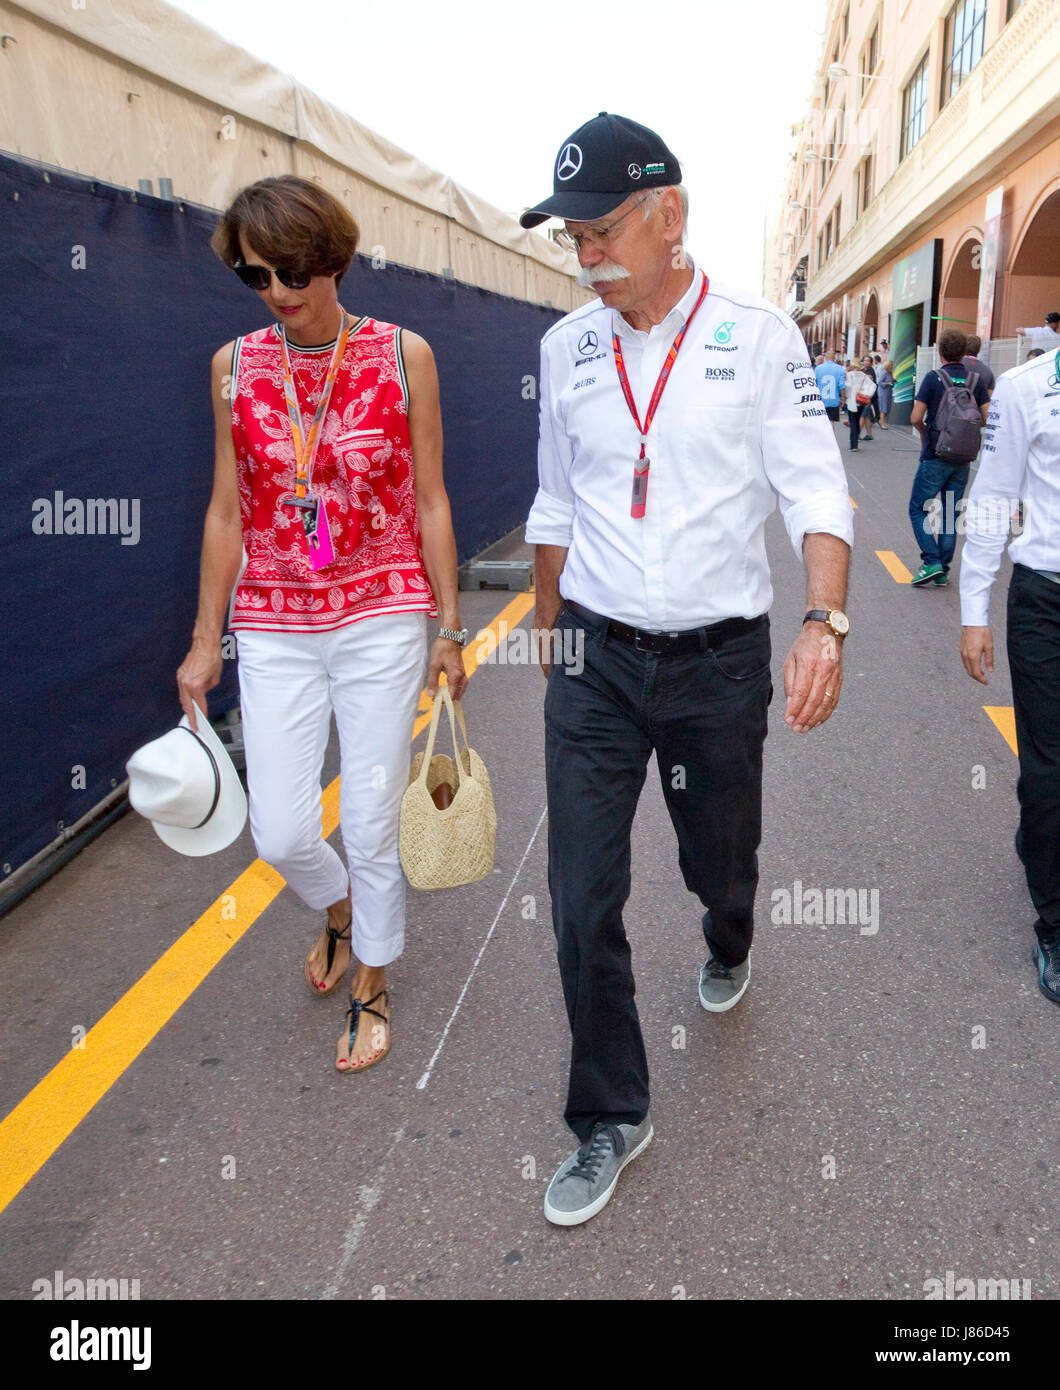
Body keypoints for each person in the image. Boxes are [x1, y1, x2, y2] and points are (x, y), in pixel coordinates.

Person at [519, 112, 853, 1226]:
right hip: (598, 664)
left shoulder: (759, 340)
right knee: (578, 894)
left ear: (671, 215)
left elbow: (815, 489)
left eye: (602, 230)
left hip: (717, 664)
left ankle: (729, 923)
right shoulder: (563, 351)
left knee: (719, 854)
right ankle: (609, 1112)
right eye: (571, 237)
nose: (586, 255)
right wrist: (547, 629)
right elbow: (556, 503)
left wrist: (824, 621)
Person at [176, 175, 469, 1074]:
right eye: (256, 275)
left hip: (380, 612)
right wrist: (202, 637)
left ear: (334, 259)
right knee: (280, 833)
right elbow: (228, 510)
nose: (278, 291)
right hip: (272, 619)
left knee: (373, 819)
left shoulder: (400, 354)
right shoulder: (233, 368)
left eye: (294, 269)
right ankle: (337, 907)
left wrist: (450, 626)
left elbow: (428, 498)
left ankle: (373, 979)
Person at [959, 348, 1060, 1005]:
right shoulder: (1028, 389)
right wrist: (975, 612)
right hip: (1045, 602)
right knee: (1051, 770)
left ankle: (1038, 838)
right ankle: (1055, 925)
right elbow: (993, 500)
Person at [908, 327, 989, 587]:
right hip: (963, 459)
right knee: (951, 514)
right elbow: (986, 418)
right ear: (964, 351)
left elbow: (915, 417)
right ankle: (942, 568)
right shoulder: (976, 381)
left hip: (935, 455)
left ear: (940, 351)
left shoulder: (933, 378)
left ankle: (930, 561)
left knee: (918, 508)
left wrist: (925, 434)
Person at [843, 359, 875, 451]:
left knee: (853, 422)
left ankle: (853, 444)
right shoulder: (864, 376)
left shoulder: (850, 375)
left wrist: (845, 396)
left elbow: (847, 386)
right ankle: (855, 441)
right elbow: (873, 385)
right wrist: (867, 394)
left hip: (851, 401)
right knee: (857, 421)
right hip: (861, 401)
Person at [815, 349, 845, 423]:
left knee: (820, 421)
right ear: (834, 358)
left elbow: (814, 384)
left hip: (820, 400)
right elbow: (842, 386)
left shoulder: (818, 369)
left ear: (825, 357)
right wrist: (843, 398)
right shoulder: (840, 369)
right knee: (831, 421)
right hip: (834, 400)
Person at [858, 355, 877, 439]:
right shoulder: (863, 370)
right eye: (864, 360)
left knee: (862, 415)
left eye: (868, 361)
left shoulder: (870, 371)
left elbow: (866, 381)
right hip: (863, 395)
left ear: (871, 363)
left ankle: (857, 434)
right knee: (866, 416)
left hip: (866, 396)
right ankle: (869, 434)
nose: (865, 362)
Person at [875, 358, 895, 429]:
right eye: (891, 365)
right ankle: (882, 423)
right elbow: (880, 382)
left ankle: (881, 421)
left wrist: (893, 381)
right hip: (883, 392)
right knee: (883, 407)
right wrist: (887, 383)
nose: (893, 366)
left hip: (888, 391)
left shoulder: (890, 373)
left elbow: (890, 380)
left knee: (887, 407)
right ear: (888, 366)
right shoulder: (884, 373)